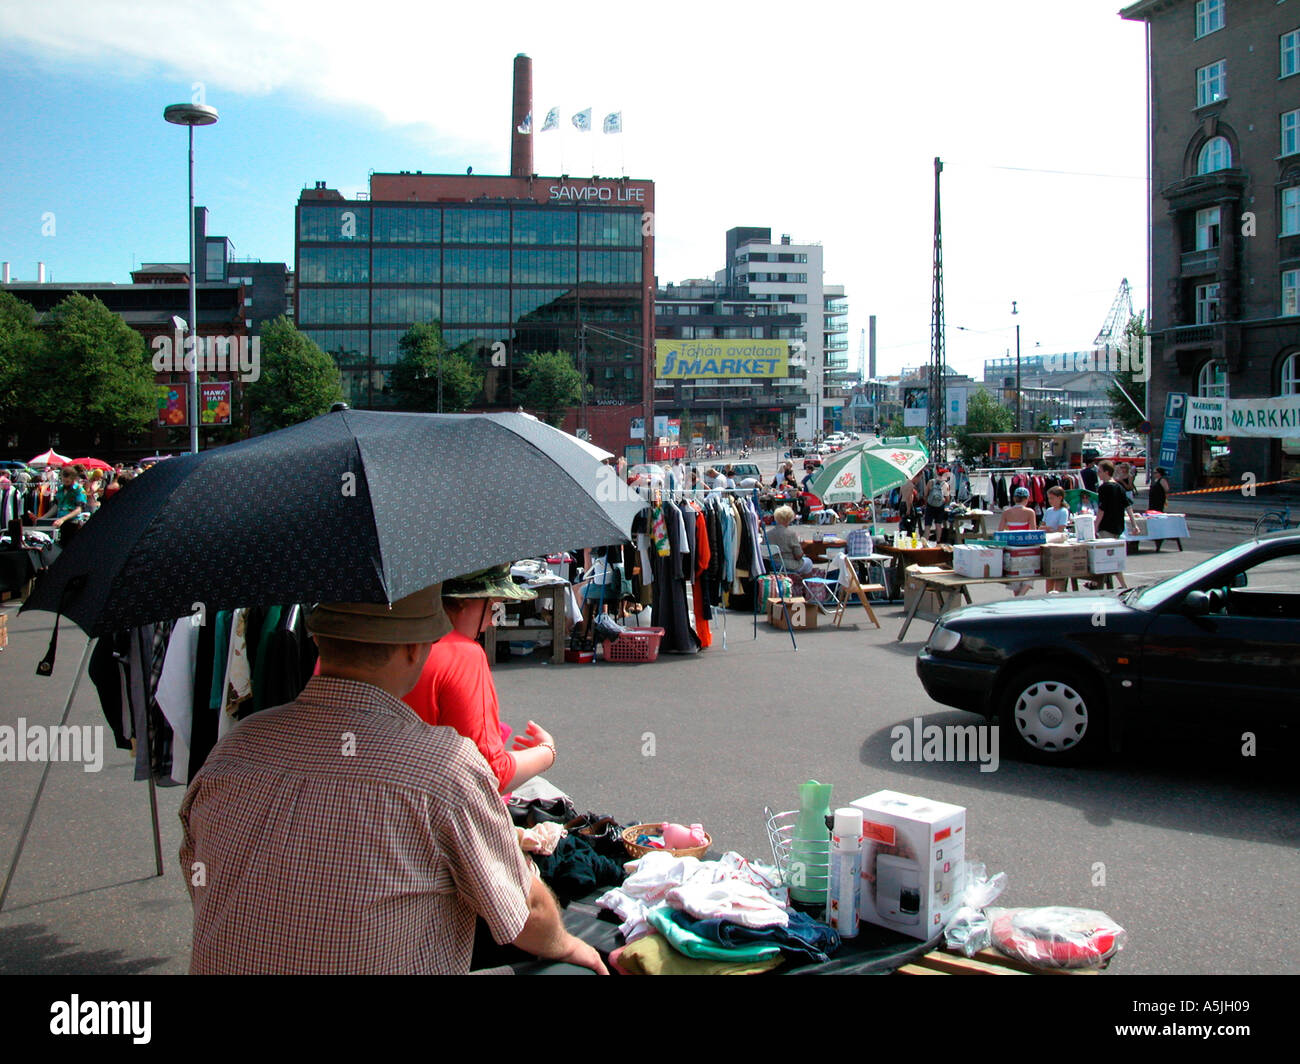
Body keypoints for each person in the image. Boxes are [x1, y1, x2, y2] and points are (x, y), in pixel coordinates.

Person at [179, 584, 605, 975]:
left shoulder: (231, 753)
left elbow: (202, 877)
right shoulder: (444, 768)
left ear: (318, 638)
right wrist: (567, 946)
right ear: (412, 649)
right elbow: (524, 911)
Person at [402, 565, 556, 795]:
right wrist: (546, 752)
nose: (492, 621)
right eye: (493, 605)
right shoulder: (463, 654)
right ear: (464, 601)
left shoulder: (393, 640)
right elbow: (490, 773)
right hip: (430, 806)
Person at [1095, 461, 1137, 589]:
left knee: (1105, 557)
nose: (1098, 474)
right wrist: (1134, 524)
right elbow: (1128, 506)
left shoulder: (1104, 488)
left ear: (1106, 472)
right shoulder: (1119, 487)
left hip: (1106, 525)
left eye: (1100, 471)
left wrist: (1095, 526)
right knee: (1112, 556)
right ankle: (1106, 584)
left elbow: (1102, 509)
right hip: (1118, 525)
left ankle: (1105, 584)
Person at [998, 486, 1038, 597]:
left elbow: (1000, 531)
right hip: (1026, 546)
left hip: (1011, 547)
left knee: (1015, 575)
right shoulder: (1030, 512)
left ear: (1014, 498)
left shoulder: (1006, 512)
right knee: (1029, 573)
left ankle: (1018, 597)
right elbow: (1033, 531)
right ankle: (1021, 596)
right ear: (1026, 499)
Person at [1040, 486, 1071, 593]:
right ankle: (1048, 593)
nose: (1050, 501)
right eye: (1049, 498)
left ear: (1060, 498)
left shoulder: (1063, 511)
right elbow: (1041, 526)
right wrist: (1045, 528)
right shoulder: (1048, 510)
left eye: (1052, 498)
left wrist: (1049, 529)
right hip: (1048, 542)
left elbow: (1060, 529)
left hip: (1058, 543)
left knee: (1059, 572)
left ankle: (1058, 593)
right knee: (1049, 573)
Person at [767, 504, 813, 575]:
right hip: (787, 565)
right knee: (808, 562)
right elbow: (798, 555)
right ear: (789, 519)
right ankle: (804, 584)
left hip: (771, 564)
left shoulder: (767, 534)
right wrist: (801, 547)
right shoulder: (790, 534)